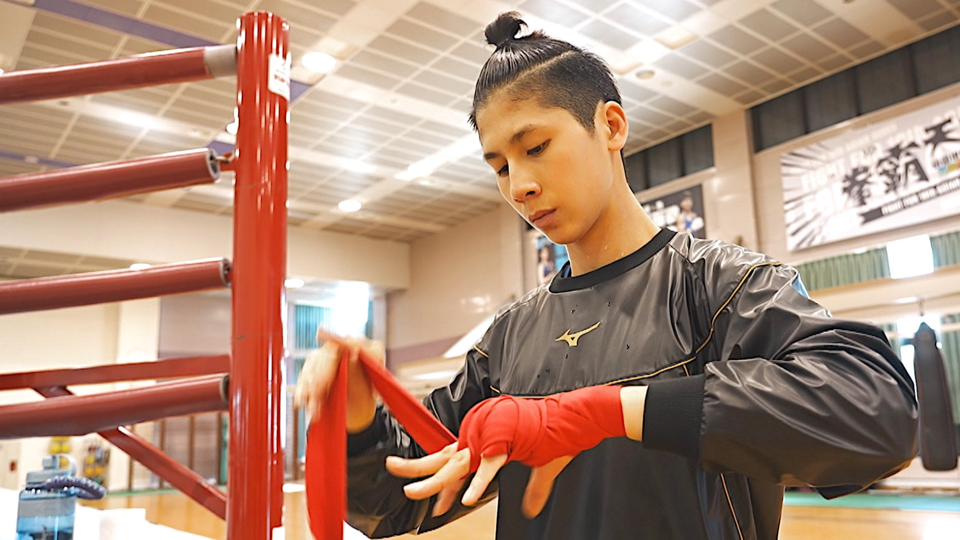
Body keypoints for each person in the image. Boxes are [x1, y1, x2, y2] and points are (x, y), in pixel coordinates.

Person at [295, 12, 918, 540]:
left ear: (611, 126)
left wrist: (609, 411)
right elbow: (396, 500)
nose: (520, 185)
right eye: (500, 166)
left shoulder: (720, 286)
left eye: (535, 148)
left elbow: (879, 412)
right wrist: (356, 414)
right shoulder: (509, 339)